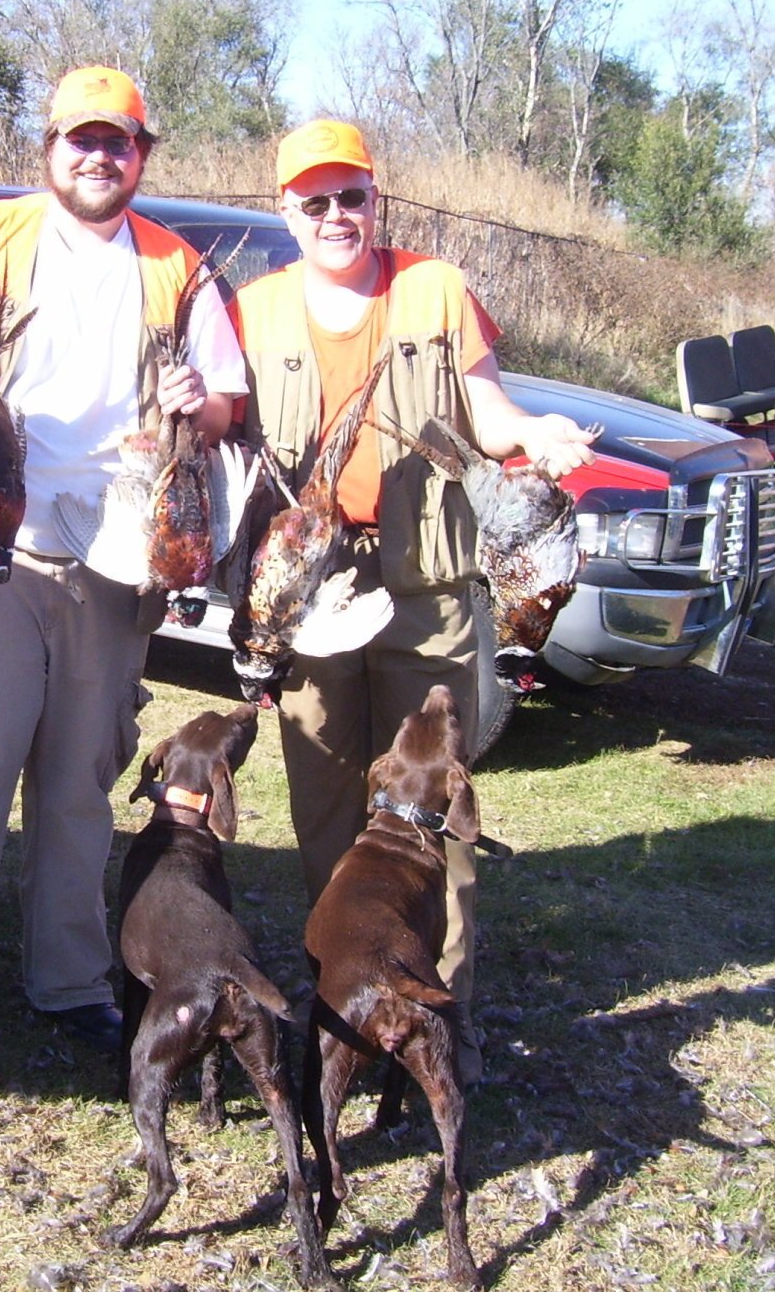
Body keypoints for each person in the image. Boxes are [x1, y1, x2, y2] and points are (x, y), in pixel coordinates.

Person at [0, 67, 249, 1077]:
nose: (97, 157)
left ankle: (73, 983)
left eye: (116, 142)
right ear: (49, 149)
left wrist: (196, 396)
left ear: (142, 155)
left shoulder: (179, 267)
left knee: (82, 787)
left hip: (118, 558)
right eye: (80, 140)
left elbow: (226, 409)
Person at [232, 118, 597, 1086]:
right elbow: (221, 426)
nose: (336, 215)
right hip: (312, 587)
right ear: (286, 212)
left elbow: (487, 408)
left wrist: (535, 436)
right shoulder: (254, 309)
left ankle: (446, 1007)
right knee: (324, 797)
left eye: (351, 195)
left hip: (429, 584)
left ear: (375, 199)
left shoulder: (434, 287)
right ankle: (350, 993)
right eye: (314, 201)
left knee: (433, 806)